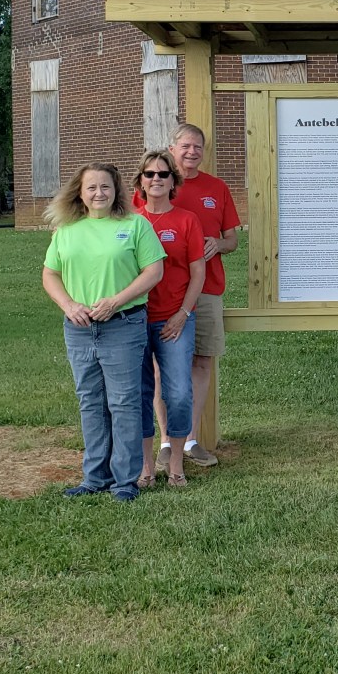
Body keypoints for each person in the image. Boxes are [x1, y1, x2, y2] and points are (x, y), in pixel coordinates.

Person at [41, 162, 164, 502]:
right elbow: (50, 274)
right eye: (92, 187)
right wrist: (68, 305)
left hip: (123, 325)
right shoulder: (66, 230)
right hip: (79, 329)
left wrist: (115, 301)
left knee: (124, 402)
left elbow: (154, 271)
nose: (99, 193)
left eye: (106, 186)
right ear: (79, 193)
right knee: (91, 402)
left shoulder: (135, 225)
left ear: (117, 190)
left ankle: (125, 481)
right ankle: (95, 477)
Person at [169, 123, 242, 466]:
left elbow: (233, 239)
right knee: (163, 366)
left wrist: (219, 243)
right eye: (185, 146)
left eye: (198, 146)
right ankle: (167, 441)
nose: (192, 152)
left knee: (201, 361)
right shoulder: (158, 184)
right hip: (166, 291)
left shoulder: (217, 187)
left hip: (208, 289)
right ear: (172, 148)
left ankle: (190, 439)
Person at [134, 151, 206, 489]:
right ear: (140, 181)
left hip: (174, 319)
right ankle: (146, 465)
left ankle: (176, 462)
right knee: (139, 392)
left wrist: (183, 314)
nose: (156, 179)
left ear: (173, 181)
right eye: (149, 174)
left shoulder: (187, 220)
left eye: (163, 174)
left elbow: (197, 272)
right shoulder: (130, 221)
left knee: (178, 393)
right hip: (133, 321)